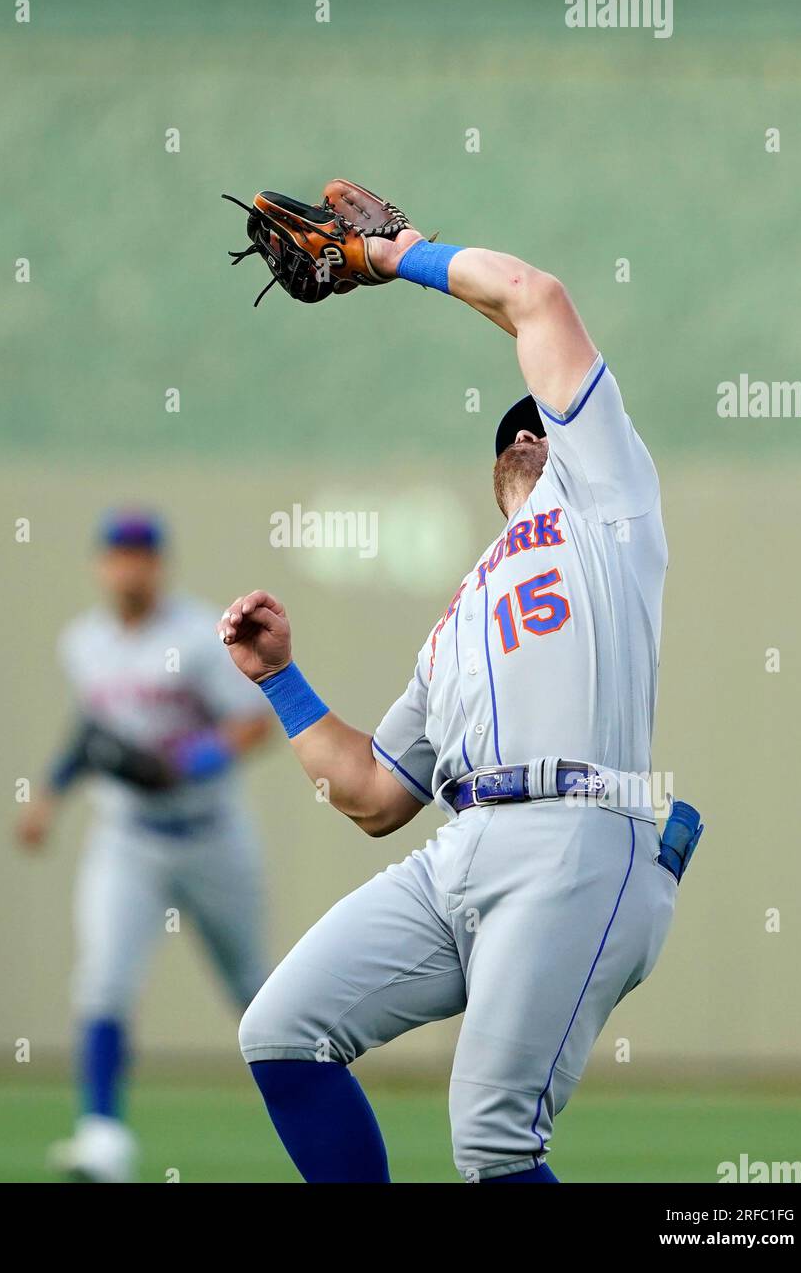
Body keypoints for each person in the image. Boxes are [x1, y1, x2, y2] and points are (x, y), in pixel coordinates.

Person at [218, 199, 701, 1183]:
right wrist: (280, 679)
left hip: (575, 830)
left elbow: (533, 300)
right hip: (463, 850)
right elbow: (372, 794)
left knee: (489, 1141)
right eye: (508, 430)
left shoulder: (602, 501)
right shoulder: (453, 627)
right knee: (281, 1031)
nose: (526, 433)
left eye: (543, 423)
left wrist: (395, 256)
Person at [18, 511, 272, 1182]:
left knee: (259, 992)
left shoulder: (196, 635)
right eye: (117, 555)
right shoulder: (83, 642)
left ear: (160, 565)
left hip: (210, 834)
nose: (129, 568)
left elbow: (252, 724)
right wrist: (50, 794)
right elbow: (90, 726)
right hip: (128, 837)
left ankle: (313, 1110)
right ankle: (101, 1137)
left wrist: (185, 760)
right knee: (102, 981)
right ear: (101, 566)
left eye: (141, 555)